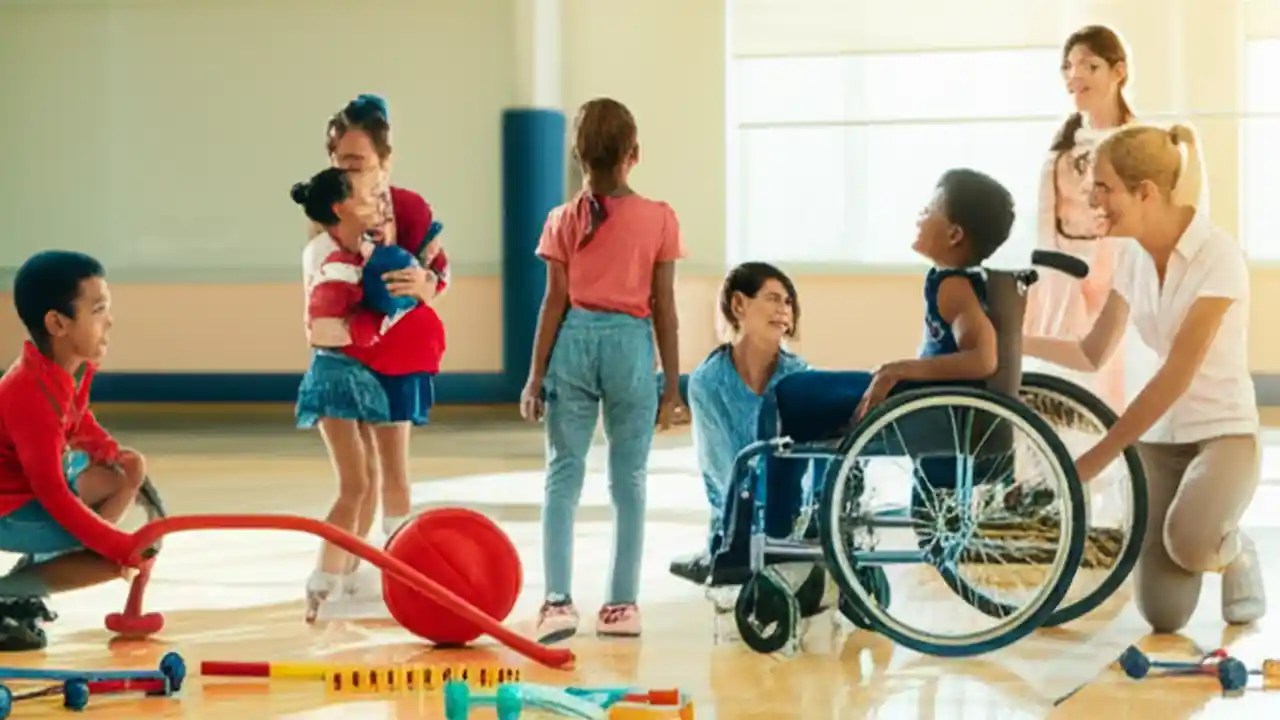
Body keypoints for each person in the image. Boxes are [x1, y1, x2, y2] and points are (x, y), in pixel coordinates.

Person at [704, 168, 1016, 575]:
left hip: (920, 408)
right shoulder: (956, 282)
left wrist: (896, 369)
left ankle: (771, 533)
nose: (920, 215)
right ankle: (802, 518)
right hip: (923, 405)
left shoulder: (952, 286)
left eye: (929, 208)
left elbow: (983, 358)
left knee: (787, 397)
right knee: (803, 405)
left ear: (955, 234)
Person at [1024, 124, 1264, 632]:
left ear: (1146, 192)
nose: (1093, 201)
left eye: (1104, 189)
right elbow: (1092, 353)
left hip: (1224, 431)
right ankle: (1204, 541)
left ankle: (1235, 550)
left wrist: (1096, 456)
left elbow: (1178, 372)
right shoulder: (1131, 258)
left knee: (1191, 541)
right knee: (1164, 615)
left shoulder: (1217, 257)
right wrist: (1013, 342)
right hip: (1163, 439)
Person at [520, 97, 688, 639]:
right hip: (632, 350)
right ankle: (621, 606)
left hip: (573, 343)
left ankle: (557, 601)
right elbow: (665, 306)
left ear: (578, 154)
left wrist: (534, 376)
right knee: (629, 480)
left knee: (561, 476)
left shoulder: (560, 220)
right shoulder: (660, 218)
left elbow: (553, 304)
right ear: (633, 154)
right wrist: (672, 387)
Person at [318, 94, 447, 602]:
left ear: (384, 161)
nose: (347, 172)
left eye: (358, 162)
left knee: (393, 473)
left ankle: (401, 578)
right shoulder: (326, 213)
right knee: (359, 480)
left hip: (399, 354)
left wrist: (422, 283)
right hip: (349, 356)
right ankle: (345, 575)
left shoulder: (411, 208)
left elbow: (439, 273)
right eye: (338, 162)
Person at [0, 250, 151, 650]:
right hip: (8, 508)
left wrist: (109, 451)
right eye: (98, 309)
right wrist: (114, 545)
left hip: (24, 492)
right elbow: (52, 492)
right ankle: (9, 594)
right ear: (57, 323)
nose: (110, 320)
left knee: (123, 474)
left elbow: (77, 418)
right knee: (111, 563)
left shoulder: (64, 369)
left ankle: (33, 577)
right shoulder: (30, 394)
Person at [291, 167, 399, 621]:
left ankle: (350, 573)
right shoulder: (326, 255)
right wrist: (373, 318)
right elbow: (326, 327)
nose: (372, 204)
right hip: (335, 373)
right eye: (362, 198)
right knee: (354, 483)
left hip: (357, 371)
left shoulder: (355, 250)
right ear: (339, 208)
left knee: (370, 478)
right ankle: (324, 580)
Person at [668, 262, 811, 585]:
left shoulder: (800, 377)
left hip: (791, 520)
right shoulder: (708, 382)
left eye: (788, 302)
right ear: (738, 305)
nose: (783, 309)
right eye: (773, 298)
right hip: (737, 525)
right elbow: (720, 474)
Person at [1023, 25, 1137, 411]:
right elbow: (1044, 219)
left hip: (1115, 274)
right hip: (1059, 276)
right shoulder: (1062, 144)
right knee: (1050, 385)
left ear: (1118, 71)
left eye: (1089, 65)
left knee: (1108, 384)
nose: (1076, 76)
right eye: (1069, 67)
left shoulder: (1137, 141)